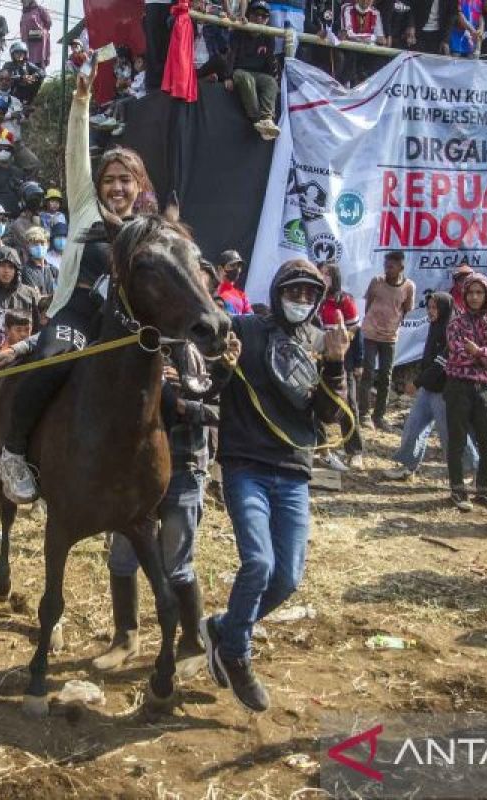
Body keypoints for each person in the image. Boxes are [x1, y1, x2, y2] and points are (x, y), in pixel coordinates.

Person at [0, 72, 159, 503]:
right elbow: (76, 156)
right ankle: (13, 452)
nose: (117, 187)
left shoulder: (149, 229)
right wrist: (81, 102)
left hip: (127, 324)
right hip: (79, 317)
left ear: (139, 185)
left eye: (126, 180)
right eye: (110, 179)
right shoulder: (86, 208)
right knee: (51, 360)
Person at [198, 260, 350, 713]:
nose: (300, 301)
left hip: (294, 472)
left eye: (309, 295)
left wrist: (338, 364)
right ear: (279, 289)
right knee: (259, 563)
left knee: (287, 578)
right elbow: (212, 386)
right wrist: (221, 361)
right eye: (294, 291)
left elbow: (328, 415)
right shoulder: (244, 329)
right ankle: (235, 654)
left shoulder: (321, 343)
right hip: (246, 465)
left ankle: (225, 628)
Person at [100, 339, 225, 675]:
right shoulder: (132, 345)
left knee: (177, 564)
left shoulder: (204, 351)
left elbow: (225, 408)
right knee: (122, 556)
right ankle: (126, 636)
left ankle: (190, 642)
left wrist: (183, 399)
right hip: (134, 473)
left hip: (183, 467)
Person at [383, 292, 479, 480]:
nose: (430, 311)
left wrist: (417, 382)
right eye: (429, 307)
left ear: (444, 308)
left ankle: (471, 469)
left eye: (435, 308)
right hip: (429, 390)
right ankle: (407, 467)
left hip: (444, 391)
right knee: (413, 426)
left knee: (451, 434)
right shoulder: (435, 326)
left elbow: (440, 363)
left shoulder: (452, 329)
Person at [444, 272, 487, 512]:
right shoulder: (456, 324)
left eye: (479, 293)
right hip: (458, 386)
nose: (474, 297)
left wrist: (479, 352)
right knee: (458, 440)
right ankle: (458, 489)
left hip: (485, 388)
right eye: (470, 292)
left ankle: (483, 488)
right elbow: (458, 354)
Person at [358, 251, 415, 430]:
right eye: (385, 266)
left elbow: (406, 309)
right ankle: (363, 414)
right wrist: (371, 323)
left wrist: (392, 325)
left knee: (385, 376)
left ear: (401, 268)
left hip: (389, 337)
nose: (387, 269)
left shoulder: (408, 287)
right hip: (370, 335)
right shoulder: (377, 282)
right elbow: (368, 306)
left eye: (391, 266)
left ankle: (379, 416)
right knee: (367, 374)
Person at [317, 261, 365, 470]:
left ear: (334, 277)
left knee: (348, 405)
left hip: (342, 360)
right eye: (320, 274)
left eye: (326, 275)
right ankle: (323, 449)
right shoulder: (314, 299)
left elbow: (356, 331)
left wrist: (356, 360)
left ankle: (355, 452)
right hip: (317, 359)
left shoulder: (344, 300)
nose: (322, 278)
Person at [227, 1, 282, 140]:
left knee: (270, 82)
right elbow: (230, 55)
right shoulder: (239, 30)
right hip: (239, 71)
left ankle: (267, 119)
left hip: (258, 73)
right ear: (249, 14)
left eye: (264, 16)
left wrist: (276, 83)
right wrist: (227, 76)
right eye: (256, 14)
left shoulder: (269, 35)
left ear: (268, 19)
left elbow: (271, 62)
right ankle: (257, 119)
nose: (259, 19)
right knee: (247, 79)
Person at [4, 41, 45, 107]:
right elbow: (7, 77)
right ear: (13, 54)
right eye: (17, 53)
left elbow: (41, 72)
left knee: (38, 79)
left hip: (27, 92)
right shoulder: (8, 65)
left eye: (21, 52)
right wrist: (21, 78)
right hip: (13, 92)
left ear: (25, 54)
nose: (19, 54)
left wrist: (34, 76)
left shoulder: (28, 64)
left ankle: (29, 102)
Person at [20, 226, 57, 296]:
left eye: (42, 243)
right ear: (27, 246)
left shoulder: (53, 269)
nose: (39, 247)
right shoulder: (26, 271)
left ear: (48, 244)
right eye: (35, 244)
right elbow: (35, 298)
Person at [216, 250, 251, 315]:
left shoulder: (242, 296)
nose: (237, 269)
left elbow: (250, 318)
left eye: (239, 266)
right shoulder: (212, 290)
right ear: (220, 268)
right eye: (232, 265)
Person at [20, 0, 53, 67]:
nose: (23, 2)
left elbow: (48, 23)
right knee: (27, 64)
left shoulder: (39, 10)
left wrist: (39, 31)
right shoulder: (24, 14)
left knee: (38, 65)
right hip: (27, 43)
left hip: (38, 42)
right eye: (22, 1)